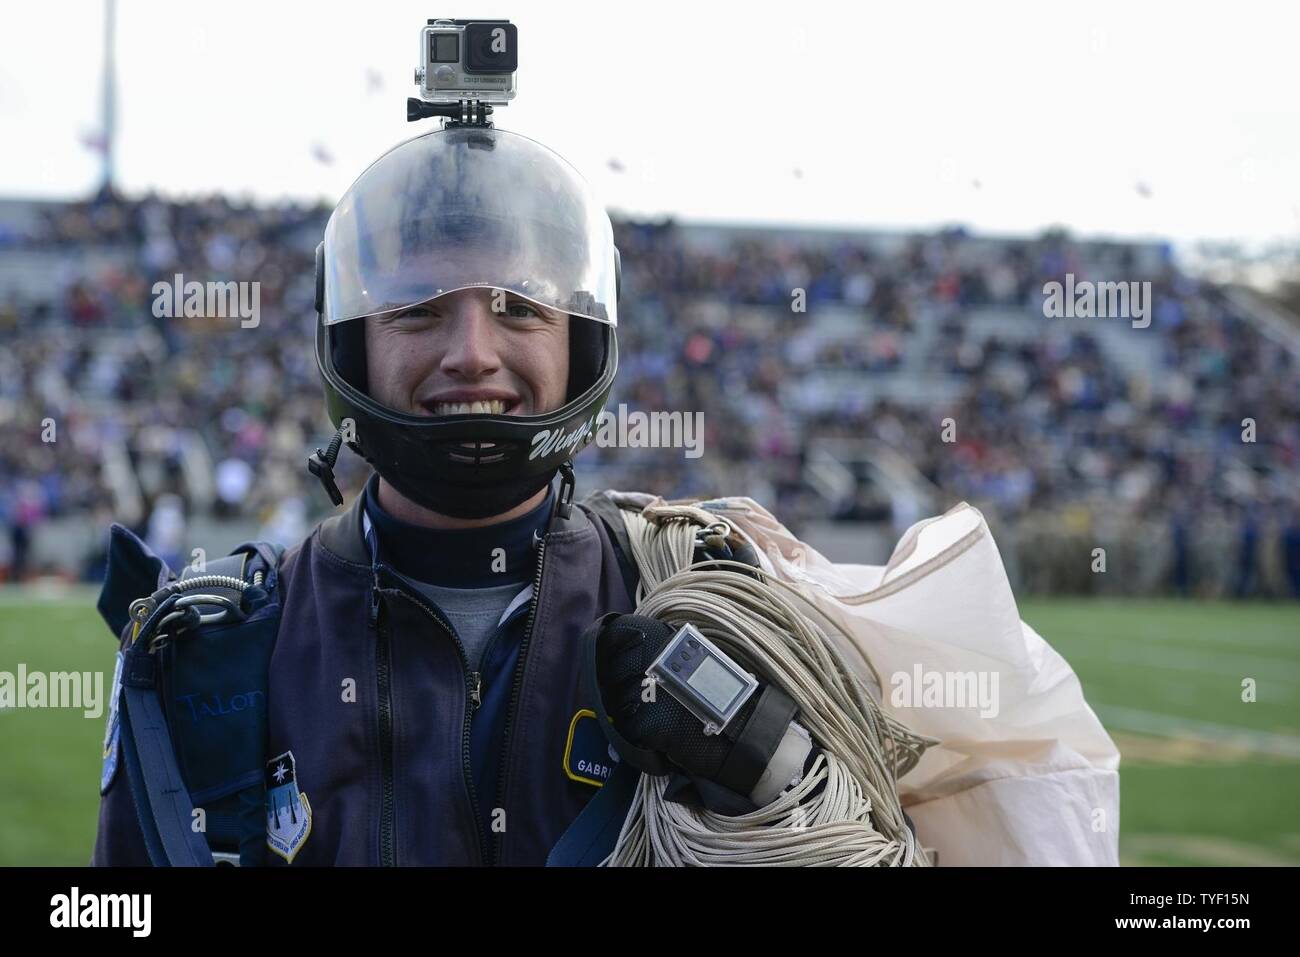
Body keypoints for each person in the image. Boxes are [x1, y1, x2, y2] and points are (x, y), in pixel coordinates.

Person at [92, 123, 1117, 867]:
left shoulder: (728, 604)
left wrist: (783, 787)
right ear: (351, 341)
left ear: (578, 338)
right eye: (417, 309)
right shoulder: (216, 648)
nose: (472, 353)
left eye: (517, 306)